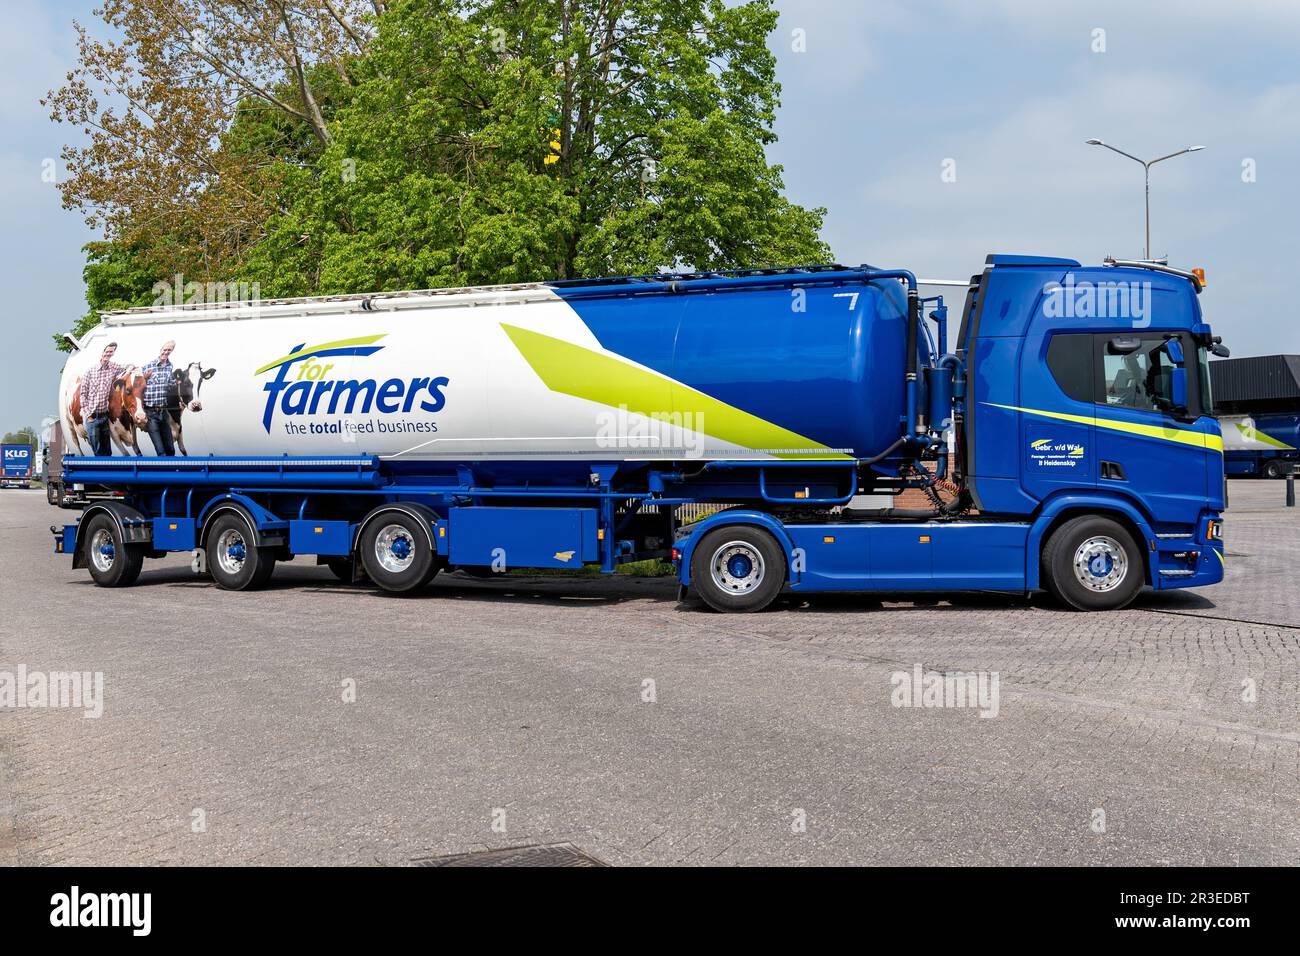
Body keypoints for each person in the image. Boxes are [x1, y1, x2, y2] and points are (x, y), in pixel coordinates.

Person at [79, 342, 128, 456]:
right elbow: (83, 393)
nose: (108, 354)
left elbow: (125, 367)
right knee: (98, 450)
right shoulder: (90, 371)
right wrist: (88, 415)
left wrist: (131, 368)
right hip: (93, 416)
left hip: (104, 416)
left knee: (107, 450)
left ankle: (107, 472)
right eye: (107, 351)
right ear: (102, 352)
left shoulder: (112, 367)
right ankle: (98, 471)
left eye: (111, 352)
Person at [141, 340, 179, 455]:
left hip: (163, 411)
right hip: (150, 412)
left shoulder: (169, 366)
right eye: (165, 349)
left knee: (170, 449)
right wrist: (144, 378)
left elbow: (170, 383)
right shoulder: (149, 366)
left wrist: (177, 383)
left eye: (169, 350)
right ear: (160, 350)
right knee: (161, 450)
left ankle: (173, 471)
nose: (166, 352)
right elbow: (137, 385)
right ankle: (163, 471)